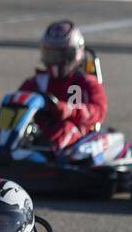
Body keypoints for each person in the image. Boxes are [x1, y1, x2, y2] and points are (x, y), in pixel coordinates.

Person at [16, 20, 107, 151]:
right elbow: (19, 104)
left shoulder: (87, 83)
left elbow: (99, 112)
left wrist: (68, 110)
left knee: (66, 129)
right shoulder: (35, 82)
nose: (55, 60)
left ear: (75, 53)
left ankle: (47, 154)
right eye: (51, 55)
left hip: (76, 139)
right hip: (36, 132)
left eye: (60, 56)